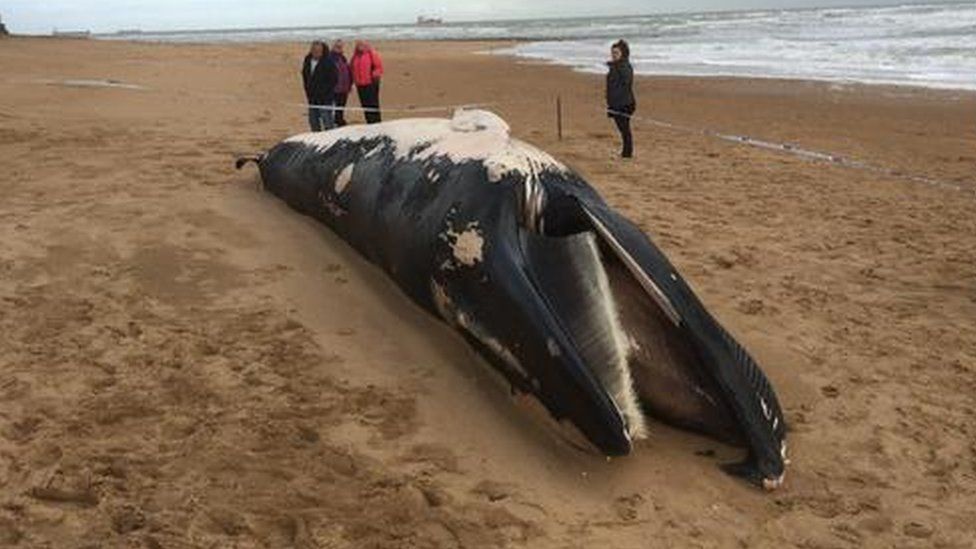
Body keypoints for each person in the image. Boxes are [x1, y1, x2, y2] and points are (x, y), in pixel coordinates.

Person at [606, 40, 635, 158]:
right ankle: (626, 152)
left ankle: (627, 153)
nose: (614, 55)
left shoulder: (625, 66)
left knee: (625, 129)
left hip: (625, 103)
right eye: (612, 52)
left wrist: (616, 66)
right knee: (622, 129)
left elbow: (627, 82)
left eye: (616, 53)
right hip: (615, 103)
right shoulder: (615, 66)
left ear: (623, 53)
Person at [302, 40, 338, 131]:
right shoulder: (307, 60)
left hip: (325, 99)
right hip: (312, 98)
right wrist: (308, 91)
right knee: (313, 122)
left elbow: (334, 80)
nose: (315, 52)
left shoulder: (328, 62)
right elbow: (305, 76)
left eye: (318, 51)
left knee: (327, 122)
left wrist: (325, 92)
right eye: (313, 50)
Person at [351, 41, 384, 124]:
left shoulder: (371, 54)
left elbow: (378, 67)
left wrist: (374, 76)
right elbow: (352, 69)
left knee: (373, 105)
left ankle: (376, 122)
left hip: (370, 84)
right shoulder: (355, 56)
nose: (360, 47)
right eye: (358, 45)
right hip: (360, 85)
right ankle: (369, 122)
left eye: (362, 45)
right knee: (365, 106)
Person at [329, 40, 353, 127]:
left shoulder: (343, 58)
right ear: (333, 47)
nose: (339, 48)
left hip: (344, 87)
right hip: (334, 88)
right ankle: (335, 122)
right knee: (334, 107)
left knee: (341, 106)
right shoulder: (330, 58)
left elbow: (348, 71)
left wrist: (350, 84)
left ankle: (339, 120)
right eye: (337, 46)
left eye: (340, 47)